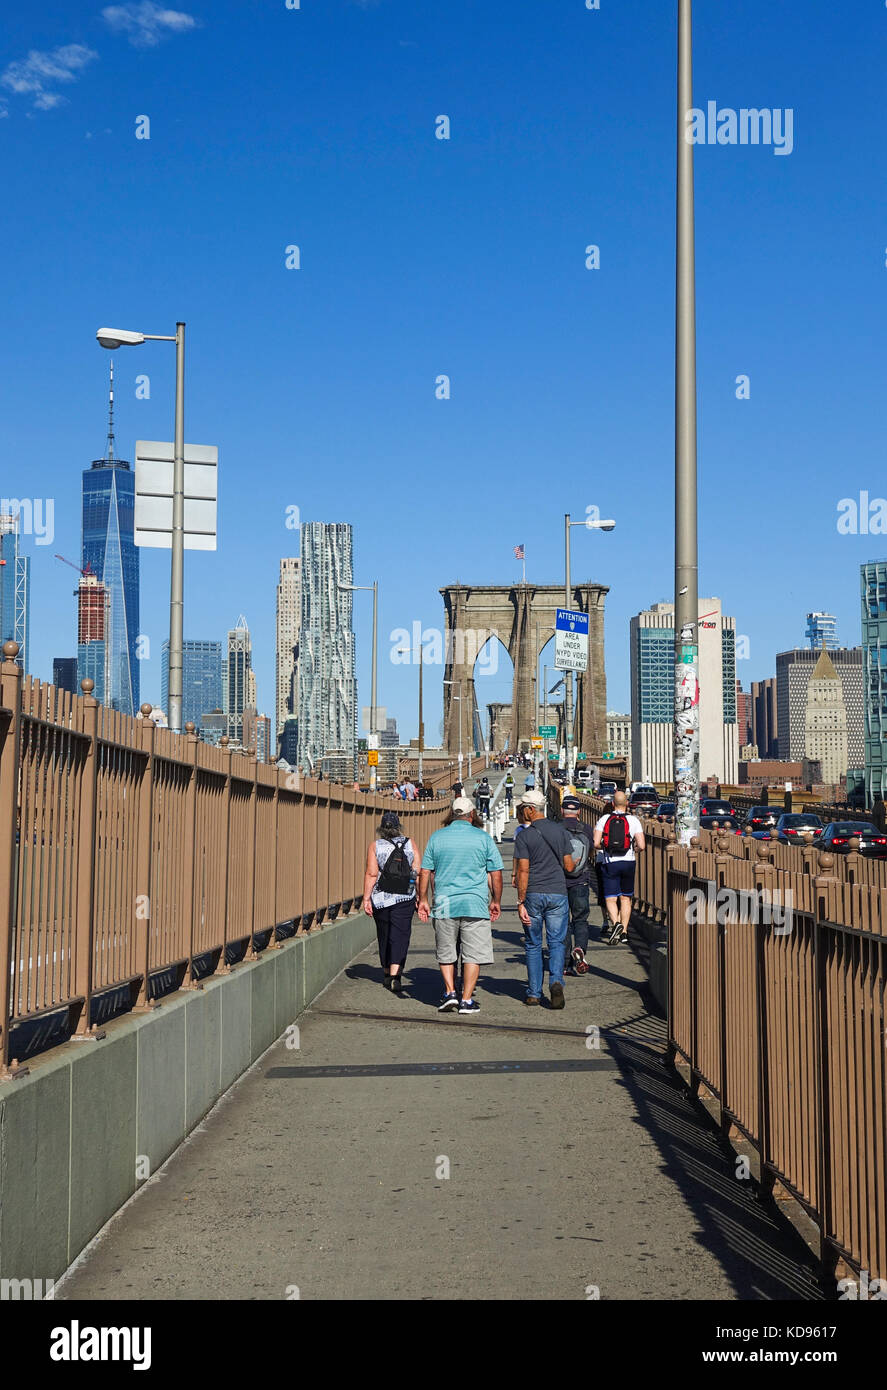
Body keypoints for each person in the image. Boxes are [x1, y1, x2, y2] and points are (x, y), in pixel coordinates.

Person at [418, 797, 503, 1015]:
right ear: (472, 814)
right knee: (473, 953)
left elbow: (425, 871)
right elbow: (496, 873)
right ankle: (466, 999)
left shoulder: (437, 837)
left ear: (452, 814)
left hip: (445, 901)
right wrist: (496, 901)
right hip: (474, 901)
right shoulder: (483, 838)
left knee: (446, 950)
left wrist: (424, 900)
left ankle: (449, 992)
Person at [512, 789, 575, 1008]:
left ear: (530, 810)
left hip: (533, 894)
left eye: (522, 809)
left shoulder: (524, 835)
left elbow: (523, 871)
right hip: (557, 893)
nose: (521, 812)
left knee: (533, 944)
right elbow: (569, 866)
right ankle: (556, 981)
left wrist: (520, 901)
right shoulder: (560, 832)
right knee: (557, 942)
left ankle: (534, 993)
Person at [362, 810, 419, 992]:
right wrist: (420, 895)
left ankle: (386, 973)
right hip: (404, 897)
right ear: (398, 827)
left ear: (381, 828)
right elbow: (417, 871)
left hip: (381, 898)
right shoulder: (410, 843)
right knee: (400, 935)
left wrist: (366, 899)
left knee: (384, 934)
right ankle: (396, 974)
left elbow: (371, 874)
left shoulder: (375, 845)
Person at [593, 790, 645, 946]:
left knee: (610, 898)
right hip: (628, 862)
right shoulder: (633, 820)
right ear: (627, 804)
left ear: (613, 804)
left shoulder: (604, 819)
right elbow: (642, 845)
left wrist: (607, 846)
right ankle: (624, 933)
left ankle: (616, 924)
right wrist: (632, 849)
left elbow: (595, 843)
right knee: (625, 898)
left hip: (611, 863)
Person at [560, 796, 594, 975]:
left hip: (561, 880)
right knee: (580, 919)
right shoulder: (587, 829)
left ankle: (566, 964)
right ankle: (580, 949)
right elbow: (592, 850)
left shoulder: (556, 828)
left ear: (562, 810)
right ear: (579, 811)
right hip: (581, 879)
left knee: (563, 921)